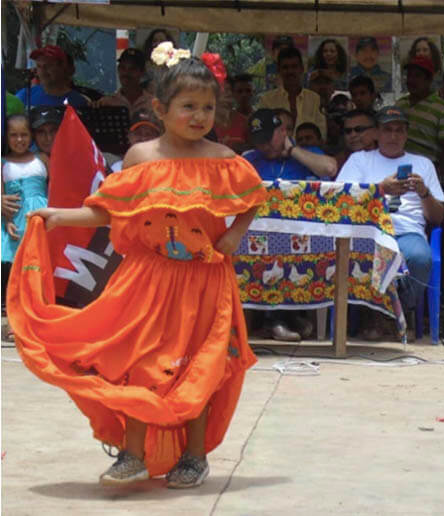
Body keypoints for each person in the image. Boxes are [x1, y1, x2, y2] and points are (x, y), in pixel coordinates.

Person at [7, 52, 270, 488]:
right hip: (148, 281)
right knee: (140, 363)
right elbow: (107, 211)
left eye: (207, 107)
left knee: (199, 369)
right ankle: (133, 455)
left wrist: (235, 234)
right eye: (188, 106)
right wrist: (58, 216)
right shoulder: (140, 158)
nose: (199, 116)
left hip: (205, 282)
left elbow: (255, 196)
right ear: (160, 109)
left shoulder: (223, 158)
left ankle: (195, 455)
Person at [337, 106, 444, 320]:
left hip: (406, 232)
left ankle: (392, 314)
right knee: (358, 255)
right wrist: (381, 189)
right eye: (387, 130)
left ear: (406, 135)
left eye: (399, 130)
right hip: (368, 230)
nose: (393, 136)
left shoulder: (423, 164)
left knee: (419, 258)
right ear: (377, 133)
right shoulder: (360, 160)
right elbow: (341, 202)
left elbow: (437, 217)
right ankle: (374, 315)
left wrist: (424, 192)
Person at [241, 109, 336, 341]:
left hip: (305, 233)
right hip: (259, 234)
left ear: (282, 131)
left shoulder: (307, 153)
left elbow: (330, 169)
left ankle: (282, 320)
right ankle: (279, 320)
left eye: (268, 139)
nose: (264, 146)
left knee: (290, 245)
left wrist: (292, 150)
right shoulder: (250, 158)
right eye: (259, 141)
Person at [1, 115, 48, 323]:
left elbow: (57, 187)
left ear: (31, 136)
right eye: (13, 135)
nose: (19, 140)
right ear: (6, 137)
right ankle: (16, 316)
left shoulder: (43, 160)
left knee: (39, 265)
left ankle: (39, 310)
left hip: (40, 218)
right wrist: (7, 220)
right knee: (17, 269)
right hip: (15, 221)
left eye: (24, 135)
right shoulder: (2, 163)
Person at [396, 56, 444, 177]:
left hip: (426, 171)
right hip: (398, 168)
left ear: (429, 80)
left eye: (417, 76)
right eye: (409, 76)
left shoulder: (443, 109)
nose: (411, 80)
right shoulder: (400, 104)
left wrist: (440, 176)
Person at [257, 47, 327, 141]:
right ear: (279, 70)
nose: (290, 71)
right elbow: (263, 135)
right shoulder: (267, 100)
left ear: (302, 69)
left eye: (294, 66)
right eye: (285, 67)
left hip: (308, 152)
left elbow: (321, 134)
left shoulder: (314, 99)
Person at [15, 46, 88, 109]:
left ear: (62, 67)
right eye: (39, 66)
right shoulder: (24, 95)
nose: (42, 71)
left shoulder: (78, 102)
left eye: (48, 66)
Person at [94, 48, 153, 115]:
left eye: (132, 69)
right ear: (118, 69)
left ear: (142, 72)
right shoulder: (106, 104)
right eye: (123, 68)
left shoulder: (152, 104)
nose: (126, 73)